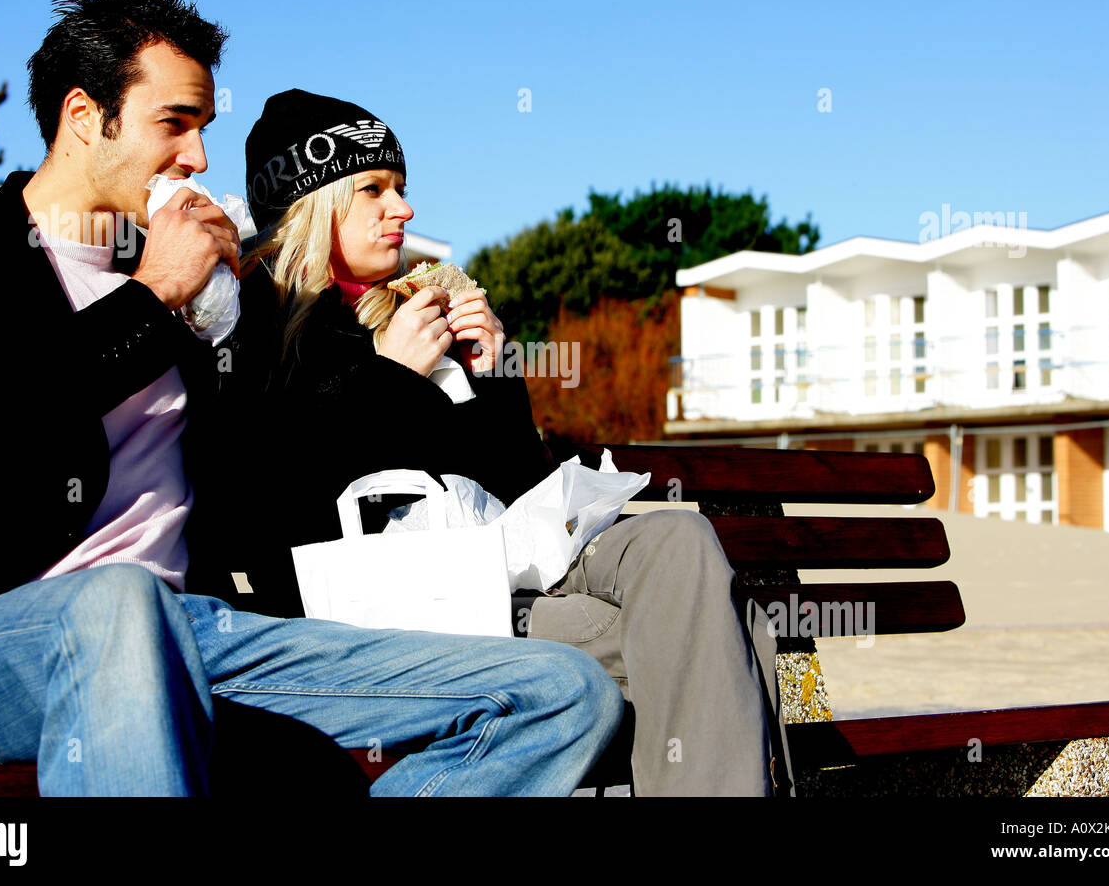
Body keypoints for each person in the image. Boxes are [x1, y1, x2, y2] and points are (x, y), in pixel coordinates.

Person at [0, 0, 624, 796]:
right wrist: (153, 299)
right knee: (121, 601)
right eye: (175, 124)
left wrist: (470, 374)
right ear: (86, 116)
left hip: (202, 634)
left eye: (204, 129)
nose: (198, 157)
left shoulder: (201, 285)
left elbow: (275, 477)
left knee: (560, 695)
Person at [224, 89, 780, 796]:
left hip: (505, 579)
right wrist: (391, 378)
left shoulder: (422, 312)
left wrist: (492, 378)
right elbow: (276, 516)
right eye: (375, 189)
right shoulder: (255, 322)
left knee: (679, 539)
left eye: (402, 187)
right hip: (401, 618)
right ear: (313, 202)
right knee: (736, 641)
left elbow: (516, 494)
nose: (405, 208)